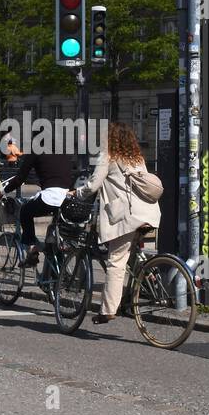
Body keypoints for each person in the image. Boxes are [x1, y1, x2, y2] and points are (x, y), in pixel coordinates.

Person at [75, 122, 162, 325]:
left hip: (127, 216)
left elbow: (94, 184)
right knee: (131, 256)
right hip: (148, 212)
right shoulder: (137, 157)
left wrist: (77, 193)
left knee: (116, 261)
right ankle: (139, 287)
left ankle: (107, 310)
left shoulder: (109, 156)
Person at [3, 143, 76, 269]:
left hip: (50, 197)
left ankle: (32, 249)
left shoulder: (36, 150)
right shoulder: (64, 150)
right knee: (54, 237)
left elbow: (20, 178)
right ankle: (55, 276)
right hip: (67, 197)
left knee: (25, 211)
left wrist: (3, 191)